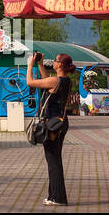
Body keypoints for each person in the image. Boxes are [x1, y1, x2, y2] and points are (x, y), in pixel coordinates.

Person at [27, 50, 76, 206]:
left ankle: (58, 198)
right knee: (55, 160)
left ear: (60, 64)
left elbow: (30, 82)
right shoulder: (65, 80)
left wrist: (30, 65)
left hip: (52, 125)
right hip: (59, 123)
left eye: (55, 60)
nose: (53, 62)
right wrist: (40, 64)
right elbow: (46, 80)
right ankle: (54, 196)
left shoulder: (55, 81)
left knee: (53, 161)